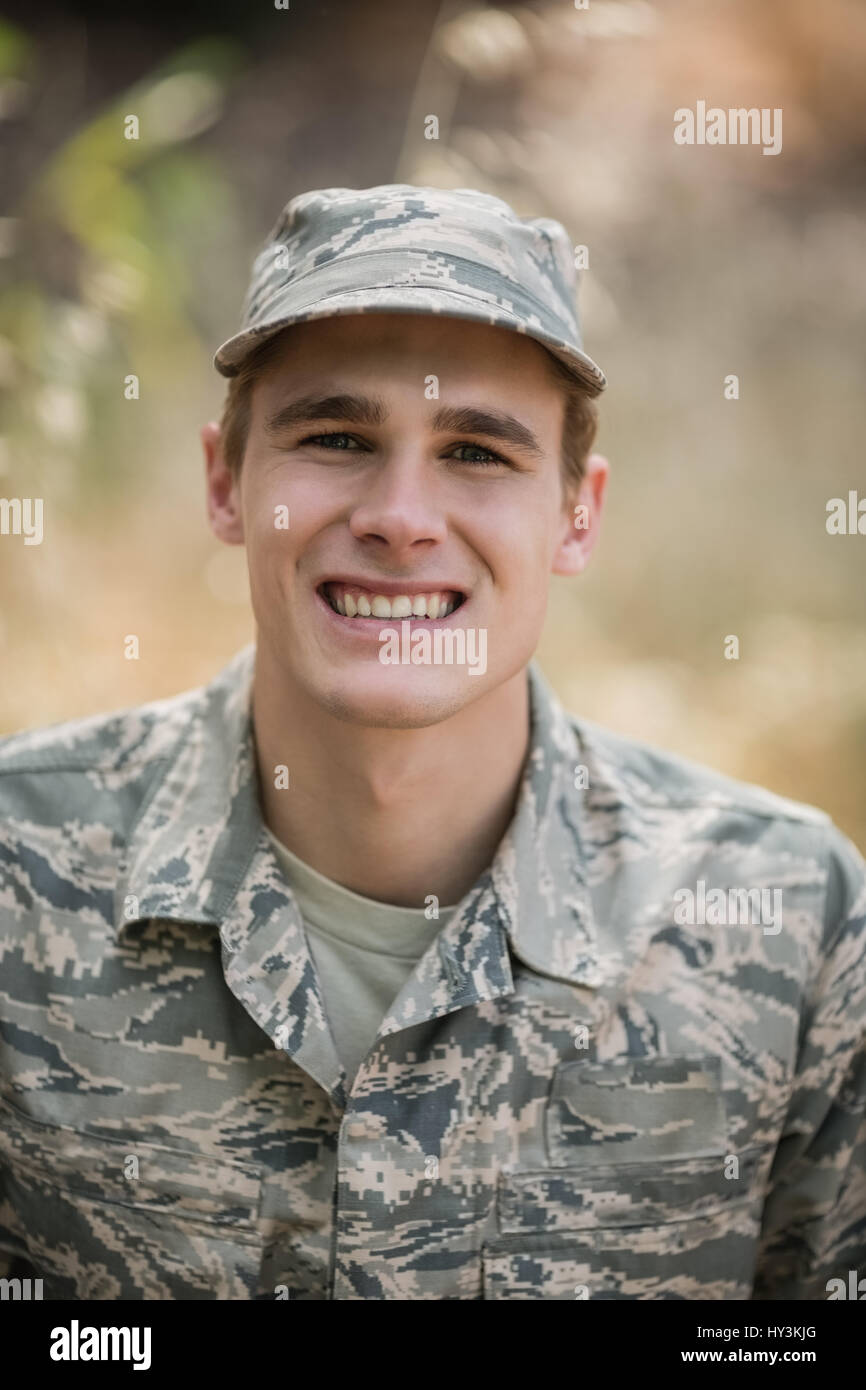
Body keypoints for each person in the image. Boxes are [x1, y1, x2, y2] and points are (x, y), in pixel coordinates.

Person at [0, 185, 863, 1301]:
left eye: (475, 452)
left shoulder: (793, 923)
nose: (399, 514)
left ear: (576, 514)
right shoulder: (20, 873)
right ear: (225, 480)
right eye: (337, 436)